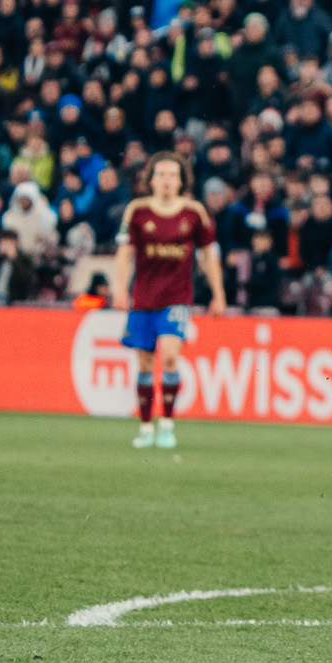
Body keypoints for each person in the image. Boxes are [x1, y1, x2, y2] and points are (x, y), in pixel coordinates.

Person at [110, 152, 226, 450]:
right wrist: (120, 289)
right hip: (143, 299)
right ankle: (146, 427)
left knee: (171, 356)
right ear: (151, 180)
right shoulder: (136, 211)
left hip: (177, 298)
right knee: (145, 364)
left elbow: (207, 255)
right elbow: (124, 254)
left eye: (172, 175)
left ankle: (168, 425)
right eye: (160, 175)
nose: (166, 181)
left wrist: (218, 293)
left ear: (181, 180)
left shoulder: (193, 212)